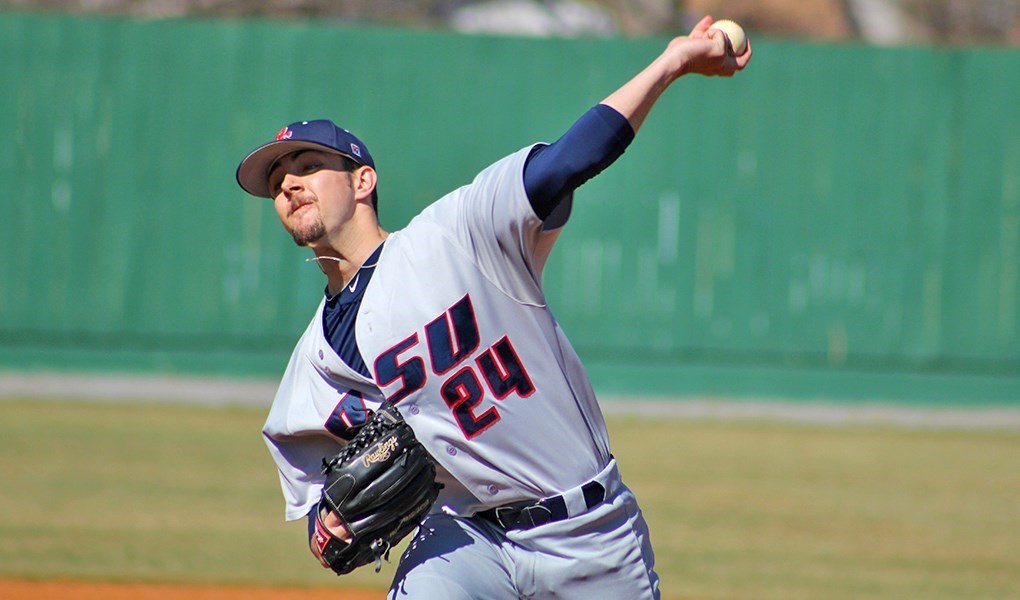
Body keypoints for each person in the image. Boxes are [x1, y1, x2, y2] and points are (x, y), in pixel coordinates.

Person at [236, 16, 750, 599]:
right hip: (465, 542)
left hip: (587, 532)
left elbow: (567, 160)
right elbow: (316, 506)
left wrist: (671, 64)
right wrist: (328, 528)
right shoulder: (317, 361)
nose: (288, 184)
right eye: (277, 179)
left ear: (362, 181)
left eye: (307, 167)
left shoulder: (457, 234)